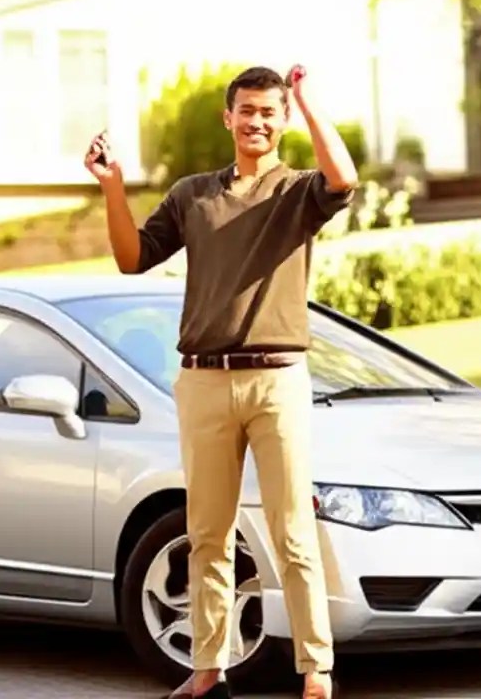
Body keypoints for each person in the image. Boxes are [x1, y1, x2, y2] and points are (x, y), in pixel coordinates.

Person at [83, 64, 357, 699]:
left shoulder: (298, 192)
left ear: (281, 121)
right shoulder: (193, 195)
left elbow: (343, 178)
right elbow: (132, 259)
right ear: (227, 118)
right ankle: (208, 667)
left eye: (270, 112)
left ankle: (315, 668)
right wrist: (113, 185)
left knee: (291, 531)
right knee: (208, 532)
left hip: (277, 383)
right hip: (204, 382)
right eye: (247, 111)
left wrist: (310, 99)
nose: (257, 122)